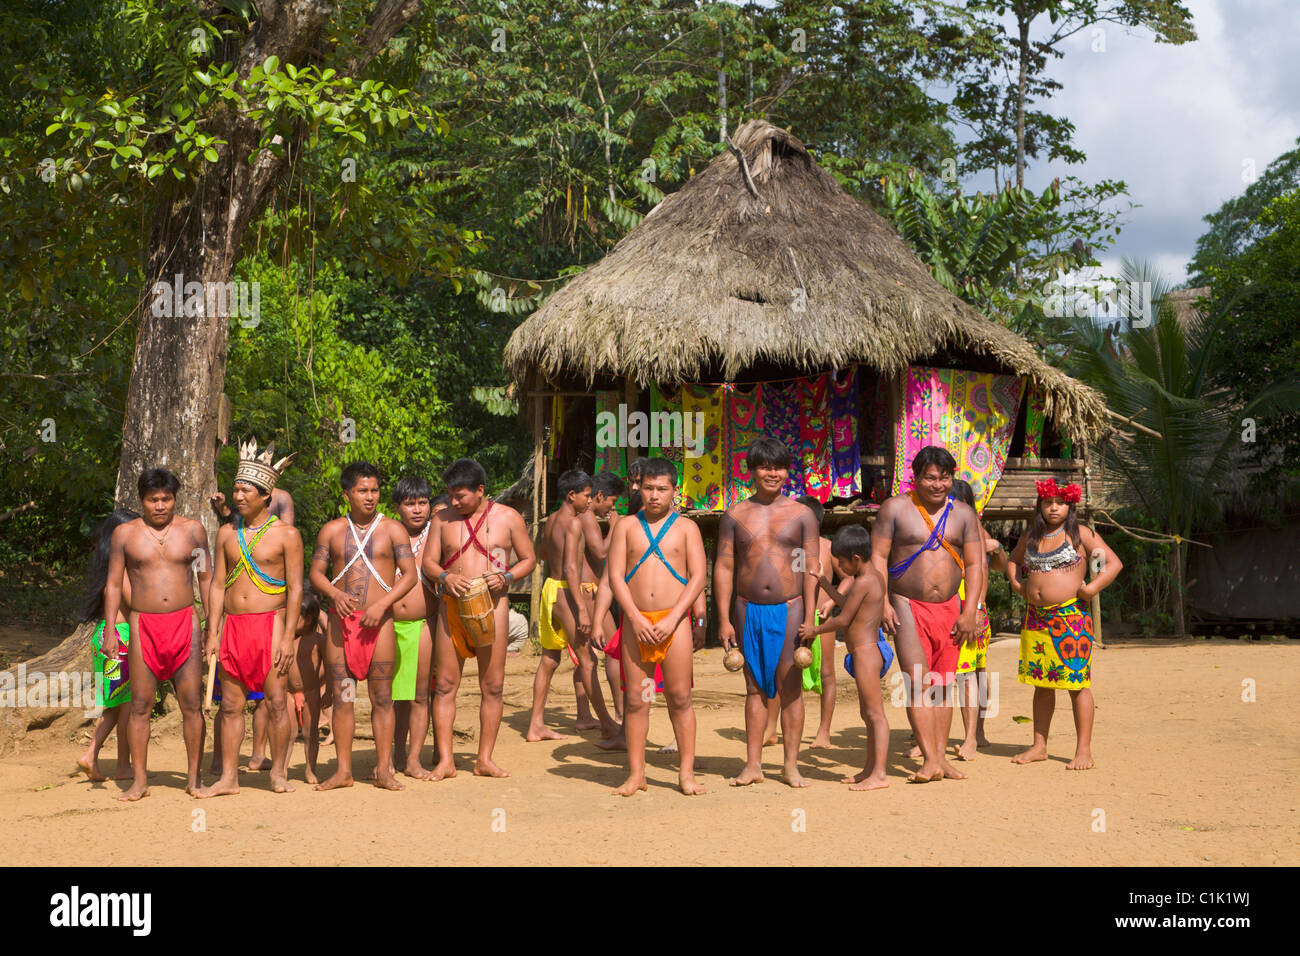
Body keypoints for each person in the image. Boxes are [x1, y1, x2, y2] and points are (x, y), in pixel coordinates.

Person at [870, 446, 984, 783]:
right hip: (906, 603)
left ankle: (940, 758)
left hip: (951, 607)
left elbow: (977, 564)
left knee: (944, 686)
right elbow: (878, 558)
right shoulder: (895, 509)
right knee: (919, 682)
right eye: (930, 477)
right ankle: (931, 759)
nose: (938, 484)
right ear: (916, 477)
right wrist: (883, 603)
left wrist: (971, 609)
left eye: (945, 477)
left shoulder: (964, 514)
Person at [198, 439, 302, 797]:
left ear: (265, 495)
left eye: (246, 490)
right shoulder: (227, 533)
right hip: (233, 628)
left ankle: (279, 774)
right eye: (236, 488)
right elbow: (215, 587)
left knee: (275, 702)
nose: (238, 496)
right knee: (230, 706)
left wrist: (288, 637)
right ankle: (228, 778)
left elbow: (297, 590)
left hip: (271, 625)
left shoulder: (287, 536)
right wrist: (212, 633)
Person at [101, 468, 213, 801]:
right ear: (141, 500)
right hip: (142, 625)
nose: (160, 506)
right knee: (138, 705)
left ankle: (194, 780)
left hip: (186, 624)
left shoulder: (193, 531)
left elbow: (206, 578)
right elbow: (111, 584)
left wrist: (212, 627)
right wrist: (110, 630)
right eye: (153, 500)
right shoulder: (124, 534)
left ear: (175, 499)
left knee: (192, 704)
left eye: (166, 499)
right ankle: (139, 781)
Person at [422, 458, 537, 779]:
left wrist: (508, 576)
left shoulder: (509, 518)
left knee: (493, 686)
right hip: (452, 607)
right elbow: (429, 563)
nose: (454, 502)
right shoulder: (441, 520)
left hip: (494, 607)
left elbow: (530, 559)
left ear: (481, 491)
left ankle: (484, 759)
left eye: (461, 496)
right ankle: (446, 760)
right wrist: (445, 577)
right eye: (451, 495)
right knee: (444, 685)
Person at [715, 436, 820, 788]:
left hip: (790, 608)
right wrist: (725, 618)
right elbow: (725, 567)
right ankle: (753, 764)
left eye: (778, 467)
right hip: (747, 608)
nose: (771, 473)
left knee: (790, 687)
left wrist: (809, 615)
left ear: (787, 472)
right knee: (753, 688)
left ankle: (791, 765)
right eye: (764, 466)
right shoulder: (735, 515)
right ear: (751, 471)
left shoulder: (802, 515)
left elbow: (809, 566)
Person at [309, 461, 418, 791]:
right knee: (343, 698)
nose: (370, 497)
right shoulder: (331, 530)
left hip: (379, 623)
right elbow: (315, 573)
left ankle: (384, 770)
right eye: (362, 491)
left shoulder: (393, 530)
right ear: (347, 494)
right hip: (342, 626)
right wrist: (334, 593)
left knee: (382, 697)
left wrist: (383, 605)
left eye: (374, 490)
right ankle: (343, 771)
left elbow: (410, 575)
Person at [606, 458, 707, 796]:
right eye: (648, 488)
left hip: (673, 623)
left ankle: (686, 773)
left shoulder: (687, 528)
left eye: (662, 489)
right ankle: (637, 774)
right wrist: (634, 618)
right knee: (638, 699)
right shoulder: (625, 527)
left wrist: (674, 618)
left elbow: (697, 579)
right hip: (637, 623)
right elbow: (615, 576)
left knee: (679, 697)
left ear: (674, 491)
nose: (654, 496)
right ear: (639, 488)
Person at [1008, 478, 1120, 770]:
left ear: (1070, 505)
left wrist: (1091, 589)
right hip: (1036, 620)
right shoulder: (1032, 535)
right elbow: (1013, 561)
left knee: (1076, 684)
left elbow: (1113, 563)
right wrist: (1018, 584)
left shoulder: (1081, 534)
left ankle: (1083, 751)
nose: (1054, 507)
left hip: (1070, 619)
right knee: (1042, 684)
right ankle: (1039, 746)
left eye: (1060, 502)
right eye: (1048, 502)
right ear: (1040, 505)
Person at [526, 469, 618, 740]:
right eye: (587, 496)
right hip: (567, 592)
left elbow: (542, 553)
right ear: (572, 495)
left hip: (549, 589)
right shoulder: (575, 523)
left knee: (549, 659)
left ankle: (535, 725)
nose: (590, 502)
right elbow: (571, 567)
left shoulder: (551, 520)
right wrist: (580, 608)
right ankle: (608, 724)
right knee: (588, 660)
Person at [799, 524, 889, 790]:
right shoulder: (869, 577)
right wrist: (825, 583)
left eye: (843, 564)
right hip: (862, 652)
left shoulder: (865, 582)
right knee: (867, 713)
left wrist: (814, 629)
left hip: (866, 653)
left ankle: (880, 774)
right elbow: (846, 604)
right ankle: (870, 768)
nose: (842, 569)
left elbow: (843, 619)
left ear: (856, 559)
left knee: (876, 715)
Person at [761, 494, 842, 749]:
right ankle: (770, 728)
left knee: (827, 673)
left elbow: (849, 576)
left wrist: (832, 602)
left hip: (820, 619)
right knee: (779, 671)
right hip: (787, 617)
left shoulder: (828, 548)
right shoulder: (781, 548)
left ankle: (824, 731)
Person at [77, 508, 139, 782]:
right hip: (120, 640)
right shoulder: (122, 572)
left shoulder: (107, 567)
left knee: (118, 706)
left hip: (108, 637)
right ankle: (95, 755)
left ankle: (115, 763)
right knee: (121, 707)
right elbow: (137, 602)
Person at [949, 478, 1005, 760]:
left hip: (969, 607)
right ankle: (938, 735)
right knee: (947, 671)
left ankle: (973, 735)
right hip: (949, 604)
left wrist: (978, 608)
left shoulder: (973, 528)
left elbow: (986, 568)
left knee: (969, 673)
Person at [390, 475, 436, 779]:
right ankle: (391, 757)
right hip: (388, 625)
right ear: (398, 507)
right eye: (410, 504)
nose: (417, 510)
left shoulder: (438, 534)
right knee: (391, 697)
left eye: (422, 503)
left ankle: (415, 759)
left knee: (420, 694)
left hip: (424, 625)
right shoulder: (386, 534)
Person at [574, 471, 625, 725]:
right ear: (600, 495)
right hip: (589, 592)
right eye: (612, 503)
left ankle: (584, 714)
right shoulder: (586, 515)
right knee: (613, 651)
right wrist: (617, 525)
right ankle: (619, 712)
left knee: (585, 657)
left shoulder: (580, 514)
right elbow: (601, 550)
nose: (612, 508)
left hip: (585, 591)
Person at [287, 583, 326, 783]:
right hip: (287, 691)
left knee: (311, 732)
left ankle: (311, 769)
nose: (289, 620)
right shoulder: (286, 638)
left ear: (309, 619)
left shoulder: (318, 639)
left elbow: (330, 665)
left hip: (311, 691)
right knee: (288, 731)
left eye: (295, 616)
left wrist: (329, 692)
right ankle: (282, 768)